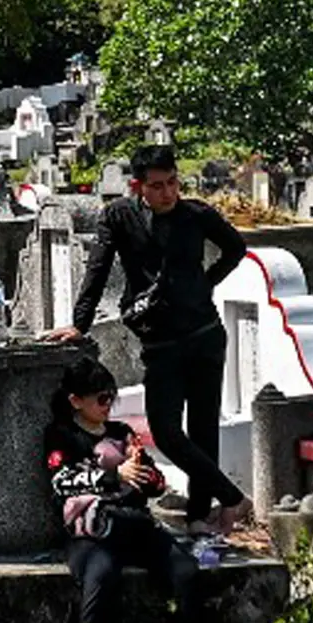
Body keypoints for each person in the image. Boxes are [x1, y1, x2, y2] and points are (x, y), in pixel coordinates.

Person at [47, 143, 253, 532]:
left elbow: (236, 248)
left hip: (206, 336)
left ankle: (200, 516)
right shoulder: (119, 217)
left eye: (173, 182)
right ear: (137, 186)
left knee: (205, 430)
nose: (168, 193)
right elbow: (98, 268)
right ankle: (234, 499)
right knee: (167, 431)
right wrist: (81, 323)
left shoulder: (196, 214)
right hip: (160, 344)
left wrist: (203, 284)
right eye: (157, 186)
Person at [45, 353, 202, 623]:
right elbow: (60, 481)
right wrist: (114, 476)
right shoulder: (61, 435)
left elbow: (156, 486)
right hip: (93, 533)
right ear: (76, 401)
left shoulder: (121, 432)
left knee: (186, 572)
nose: (107, 405)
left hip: (135, 525)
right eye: (101, 398)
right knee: (100, 578)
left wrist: (143, 469)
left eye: (111, 397)